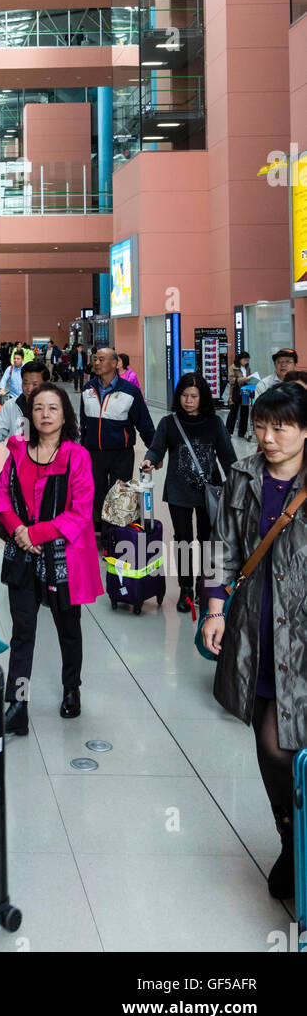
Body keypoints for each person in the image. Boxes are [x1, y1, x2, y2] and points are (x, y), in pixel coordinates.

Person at [201, 383, 307, 901]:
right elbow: (222, 544)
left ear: (305, 430)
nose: (267, 437)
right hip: (260, 626)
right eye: (261, 425)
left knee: (294, 740)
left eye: (281, 427)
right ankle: (293, 842)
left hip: (305, 629)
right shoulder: (244, 474)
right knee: (272, 746)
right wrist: (215, 609)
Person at [0, 384, 101, 733]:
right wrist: (18, 529)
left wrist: (33, 534)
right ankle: (17, 702)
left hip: (63, 559)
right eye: (38, 408)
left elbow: (81, 512)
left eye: (53, 408)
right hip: (23, 558)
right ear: (30, 415)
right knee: (23, 632)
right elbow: (0, 495)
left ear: (65, 414)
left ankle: (72, 689)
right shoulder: (18, 452)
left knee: (68, 628)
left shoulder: (77, 456)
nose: (46, 415)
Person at [141, 373, 236, 613]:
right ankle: (186, 590)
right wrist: (149, 461)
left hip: (209, 494)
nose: (189, 400)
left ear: (202, 398)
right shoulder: (169, 422)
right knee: (183, 540)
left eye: (194, 396)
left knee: (207, 540)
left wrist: (237, 484)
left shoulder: (214, 423)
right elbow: (156, 449)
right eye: (184, 395)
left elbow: (227, 457)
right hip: (178, 492)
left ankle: (204, 587)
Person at [80, 346, 155, 528]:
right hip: (93, 453)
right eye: (95, 359)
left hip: (121, 453)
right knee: (96, 494)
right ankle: (102, 531)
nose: (96, 363)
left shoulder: (130, 391)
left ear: (114, 363)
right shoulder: (87, 389)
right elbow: (83, 422)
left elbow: (144, 423)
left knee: (119, 495)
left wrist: (154, 452)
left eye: (101, 359)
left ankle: (113, 539)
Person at [0, 360, 50, 455]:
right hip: (19, 464)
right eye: (25, 383)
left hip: (48, 465)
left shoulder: (55, 407)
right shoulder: (12, 405)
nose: (29, 389)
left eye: (35, 384)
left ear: (46, 383)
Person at [226, 352, 252, 438]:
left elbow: (249, 377)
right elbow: (231, 380)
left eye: (248, 360)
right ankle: (228, 432)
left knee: (244, 412)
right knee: (233, 412)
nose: (246, 362)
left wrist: (251, 380)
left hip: (245, 392)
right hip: (236, 392)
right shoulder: (232, 367)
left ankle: (242, 433)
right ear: (240, 359)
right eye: (245, 360)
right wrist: (242, 379)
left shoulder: (247, 368)